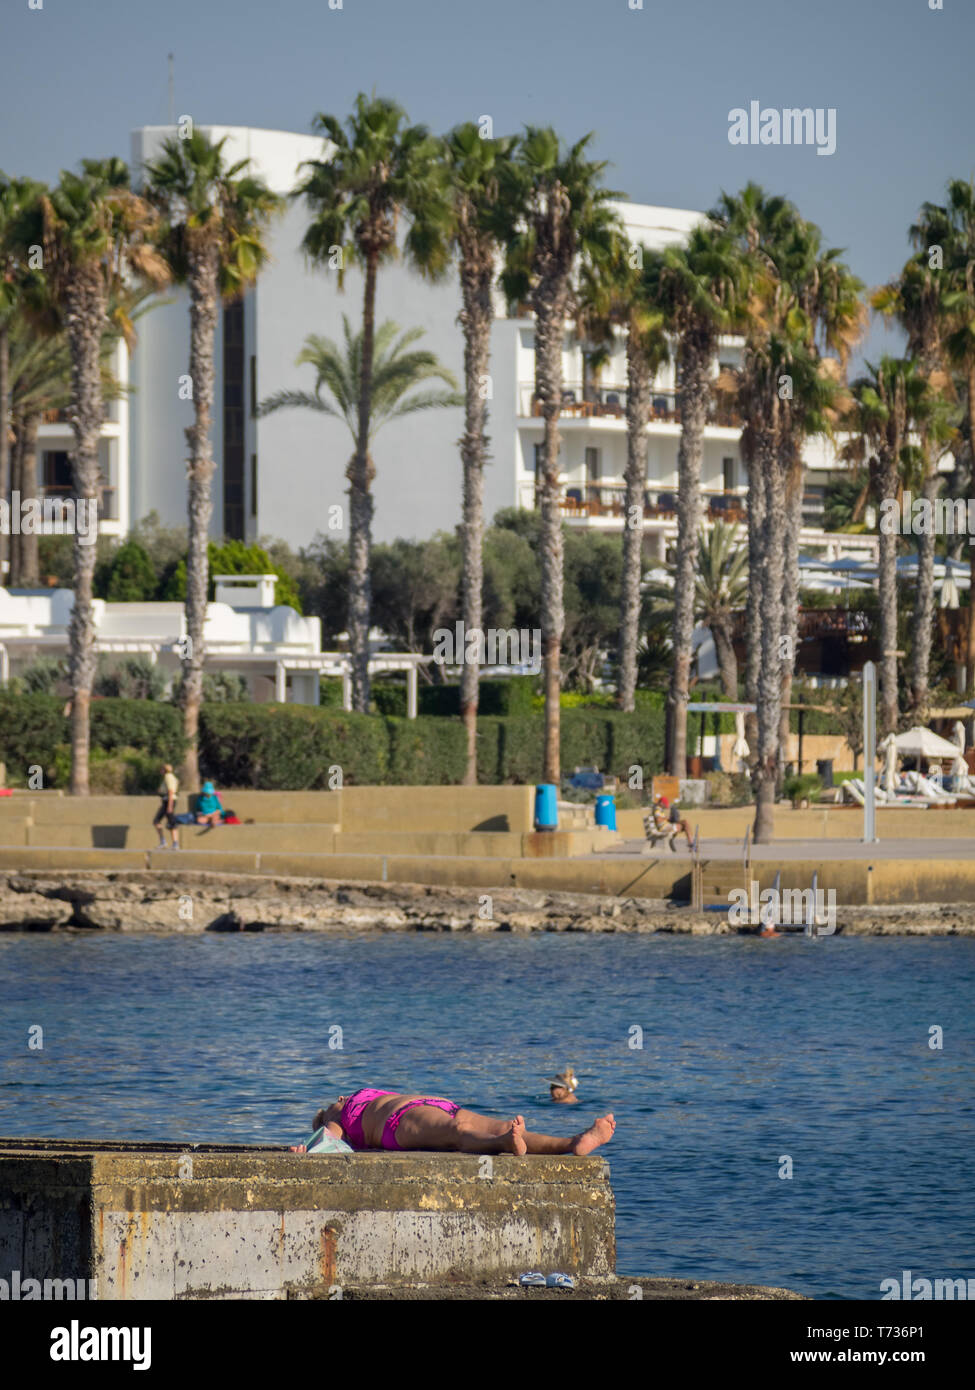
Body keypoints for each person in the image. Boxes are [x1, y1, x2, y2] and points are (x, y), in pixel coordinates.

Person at [290, 1088, 615, 1156]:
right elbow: (328, 1138)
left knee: (507, 1125)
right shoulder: (339, 1118)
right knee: (457, 1132)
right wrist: (308, 1149)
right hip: (398, 1122)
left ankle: (575, 1142)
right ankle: (500, 1145)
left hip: (432, 1104)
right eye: (330, 1106)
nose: (336, 1102)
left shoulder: (357, 1098)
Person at [153, 763, 180, 850]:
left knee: (169, 822)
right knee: (158, 821)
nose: (160, 771)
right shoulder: (169, 777)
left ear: (164, 770)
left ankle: (172, 843)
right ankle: (166, 842)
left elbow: (171, 791)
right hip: (166, 801)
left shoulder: (168, 776)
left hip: (169, 801)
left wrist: (170, 806)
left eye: (161, 769)